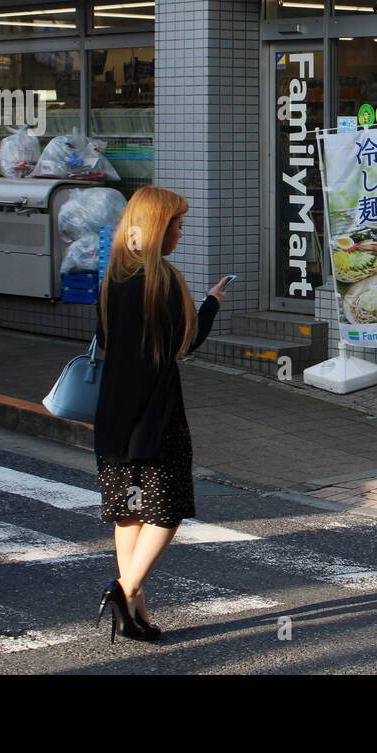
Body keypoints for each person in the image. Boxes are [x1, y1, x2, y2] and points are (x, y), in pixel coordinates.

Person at [93, 186, 229, 642]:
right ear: (157, 227)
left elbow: (109, 341)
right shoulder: (163, 279)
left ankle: (135, 612)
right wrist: (210, 305)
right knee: (166, 509)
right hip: (155, 409)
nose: (181, 232)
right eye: (176, 224)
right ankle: (124, 588)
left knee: (129, 511)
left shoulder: (113, 276)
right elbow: (182, 344)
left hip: (113, 410)